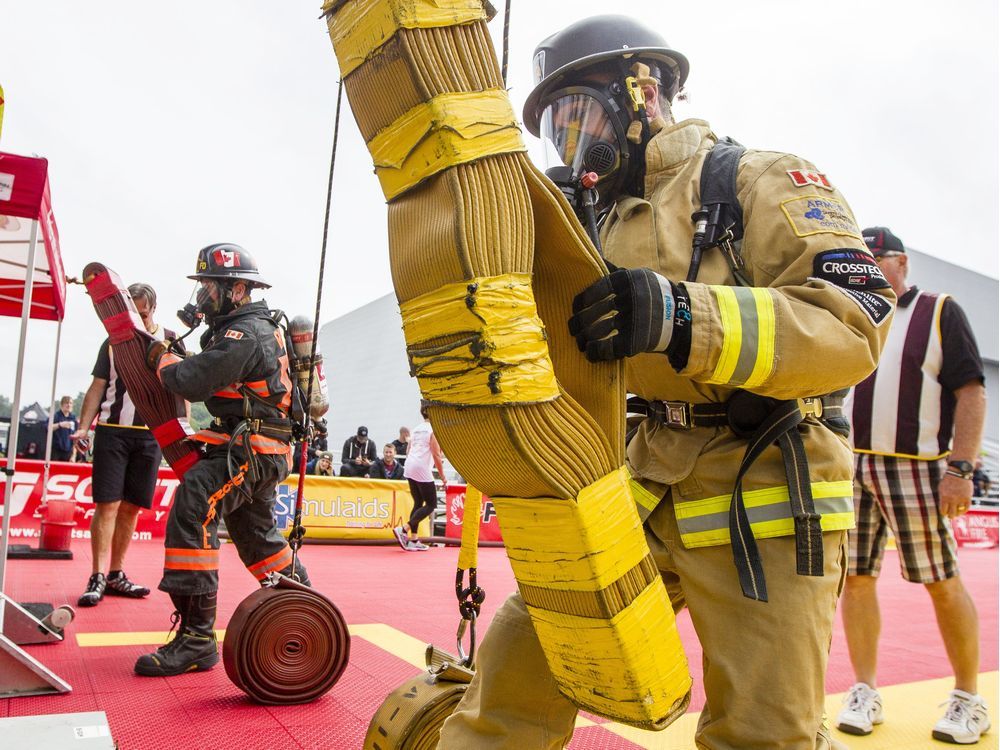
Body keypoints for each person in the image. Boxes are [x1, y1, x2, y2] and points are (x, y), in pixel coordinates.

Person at [439, 16, 893, 750]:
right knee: (524, 663)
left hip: (766, 490)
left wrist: (683, 316)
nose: (569, 145)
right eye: (555, 129)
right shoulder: (593, 221)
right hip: (645, 476)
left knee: (761, 731)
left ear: (642, 92)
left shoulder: (759, 179)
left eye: (577, 116)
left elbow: (856, 318)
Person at [837, 226, 989, 744]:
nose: (869, 272)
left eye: (877, 262)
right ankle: (864, 688)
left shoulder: (940, 310)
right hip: (853, 465)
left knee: (939, 579)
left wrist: (961, 469)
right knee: (855, 579)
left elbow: (971, 392)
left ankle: (969, 696)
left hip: (916, 468)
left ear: (901, 263)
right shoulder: (854, 314)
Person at [135, 243, 309, 677]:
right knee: (257, 538)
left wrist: (162, 355)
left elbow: (191, 381)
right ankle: (306, 609)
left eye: (208, 288)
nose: (201, 297)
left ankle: (196, 639)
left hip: (254, 448)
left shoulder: (244, 333)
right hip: (255, 447)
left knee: (195, 505)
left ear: (236, 289)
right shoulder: (241, 329)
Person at [74, 283, 174, 607]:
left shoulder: (171, 339)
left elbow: (181, 390)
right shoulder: (113, 342)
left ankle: (117, 573)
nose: (137, 319)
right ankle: (97, 575)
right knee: (108, 504)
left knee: (131, 506)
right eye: (132, 313)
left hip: (150, 434)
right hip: (112, 431)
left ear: (153, 309)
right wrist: (82, 428)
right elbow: (97, 387)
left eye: (142, 314)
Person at [395, 403, 446, 551]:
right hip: (421, 467)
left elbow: (408, 450)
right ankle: (404, 529)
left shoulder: (416, 429)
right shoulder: (433, 430)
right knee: (431, 504)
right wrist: (443, 476)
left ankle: (413, 539)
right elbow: (436, 454)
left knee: (418, 502)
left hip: (410, 465)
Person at [49, 396, 78, 462]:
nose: (69, 405)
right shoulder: (56, 416)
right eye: (67, 403)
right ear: (62, 404)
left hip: (68, 452)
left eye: (70, 403)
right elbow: (48, 427)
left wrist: (74, 455)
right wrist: (60, 425)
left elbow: (76, 438)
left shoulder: (73, 418)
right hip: (56, 452)